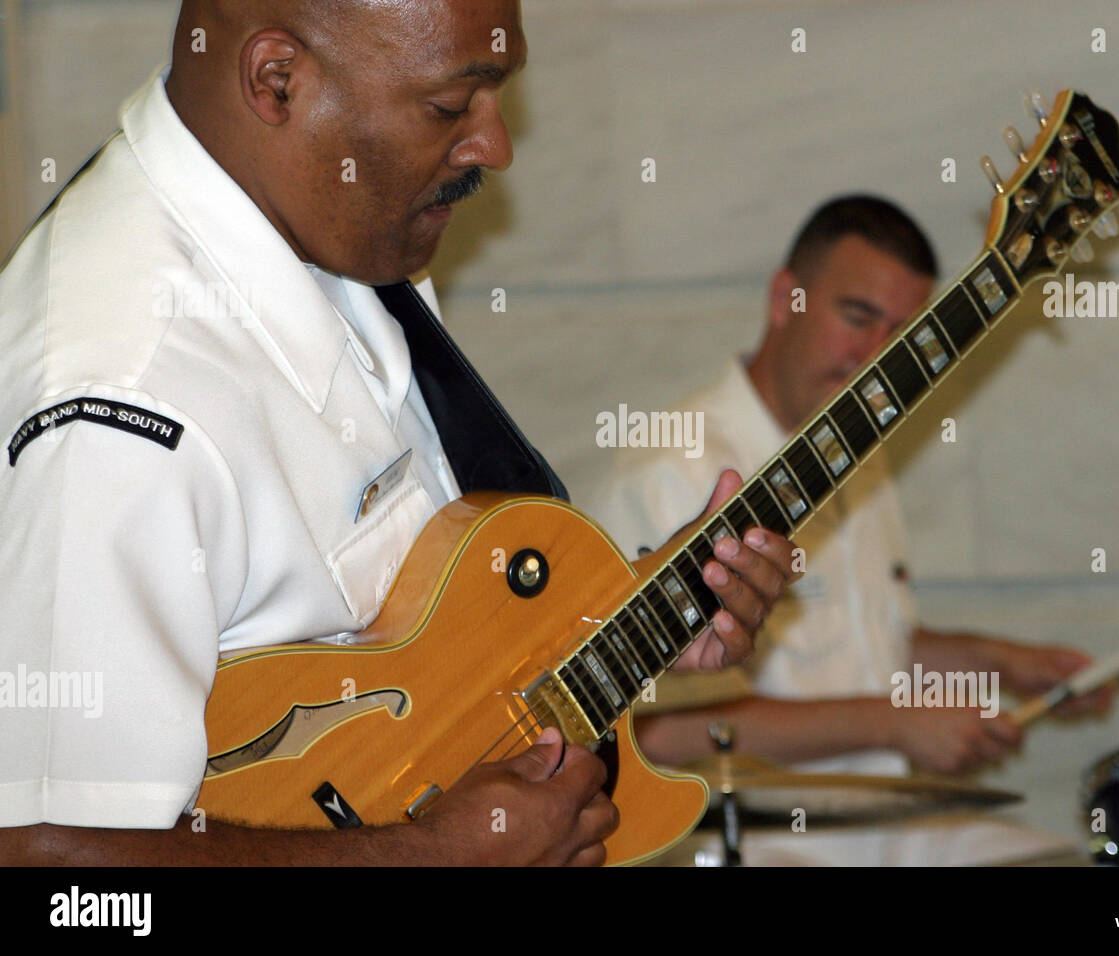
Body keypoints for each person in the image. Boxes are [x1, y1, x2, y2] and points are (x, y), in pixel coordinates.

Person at [0, 0, 800, 867]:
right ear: (278, 81)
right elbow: (52, 873)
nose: (495, 146)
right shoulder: (116, 407)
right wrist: (434, 858)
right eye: (451, 107)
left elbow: (400, 665)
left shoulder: (321, 224)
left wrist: (630, 617)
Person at [586, 195, 1109, 865]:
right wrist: (896, 723)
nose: (876, 357)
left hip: (891, 825)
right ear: (785, 298)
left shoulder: (853, 453)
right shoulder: (675, 470)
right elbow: (654, 730)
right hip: (761, 844)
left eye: (900, 333)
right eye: (857, 317)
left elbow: (864, 647)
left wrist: (1007, 663)